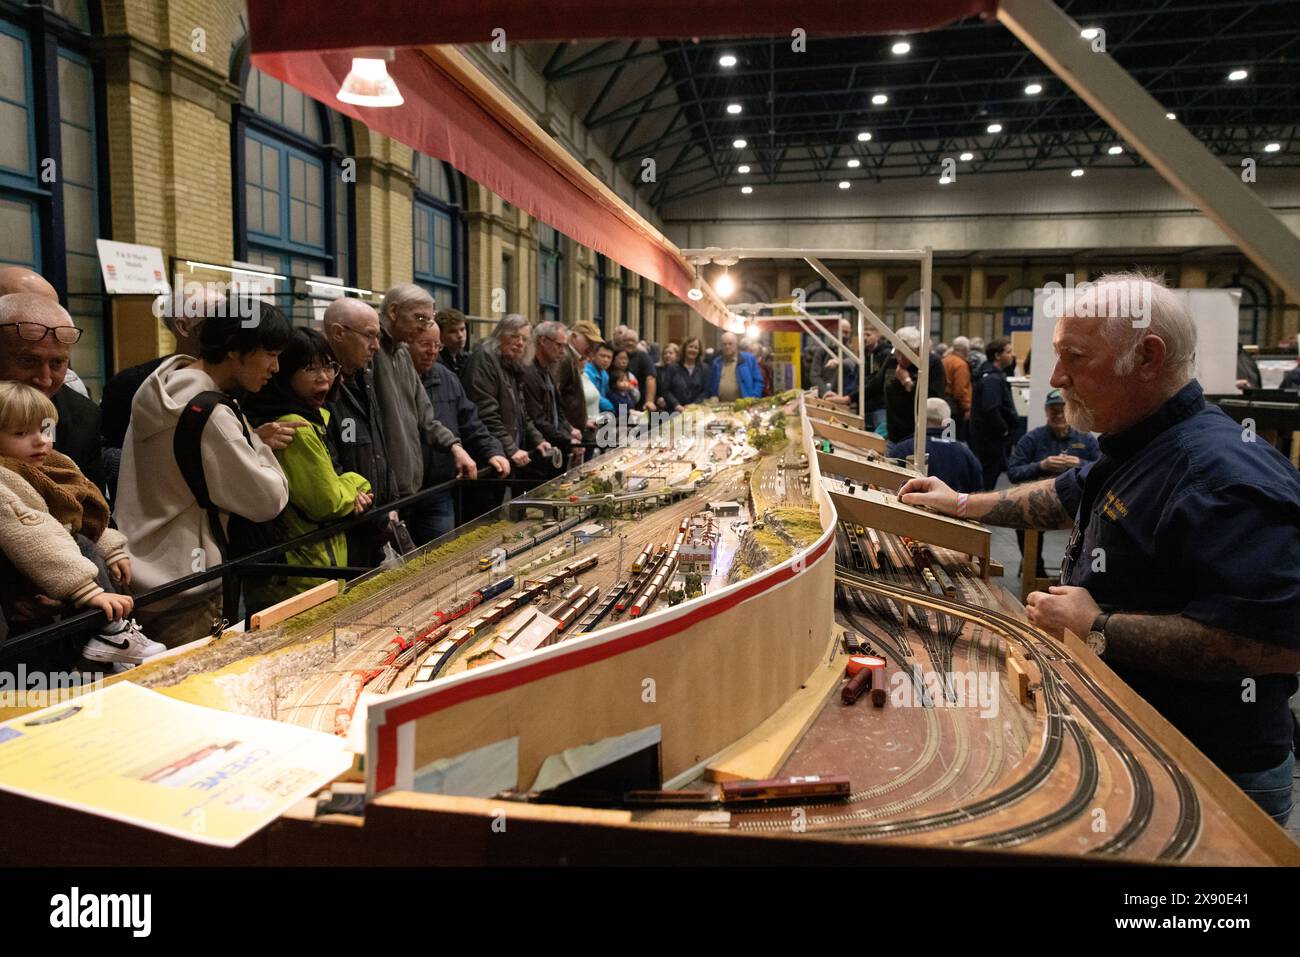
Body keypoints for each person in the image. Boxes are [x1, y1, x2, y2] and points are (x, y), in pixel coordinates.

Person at [898, 272, 1300, 824]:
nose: (1057, 376)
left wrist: (1099, 624)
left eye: (1074, 357)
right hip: (1146, 744)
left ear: (1148, 357)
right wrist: (962, 504)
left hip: (1211, 773)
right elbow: (1066, 495)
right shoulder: (1141, 441)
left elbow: (1274, 645)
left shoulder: (1219, 477)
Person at [113, 299, 293, 648]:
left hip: (143, 579)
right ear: (232, 348)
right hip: (189, 591)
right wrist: (256, 441)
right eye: (269, 353)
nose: (275, 367)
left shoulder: (160, 390)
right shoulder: (212, 411)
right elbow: (269, 499)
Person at [0, 381, 166, 669]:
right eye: (21, 433)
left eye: (45, 429)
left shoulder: (54, 464)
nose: (40, 440)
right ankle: (111, 633)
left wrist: (111, 549)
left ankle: (112, 636)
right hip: (32, 594)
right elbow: (31, 535)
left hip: (62, 585)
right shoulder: (5, 478)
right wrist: (87, 591)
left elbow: (80, 514)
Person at [241, 328, 374, 611]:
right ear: (284, 372)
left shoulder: (315, 417)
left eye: (328, 366)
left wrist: (343, 487)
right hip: (301, 572)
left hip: (307, 567)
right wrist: (357, 483)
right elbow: (326, 501)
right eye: (310, 368)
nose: (324, 377)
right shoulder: (294, 426)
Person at [376, 285, 476, 544]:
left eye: (429, 319)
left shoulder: (401, 353)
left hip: (411, 488)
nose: (424, 325)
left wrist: (455, 447)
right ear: (394, 311)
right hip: (383, 494)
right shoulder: (373, 353)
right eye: (420, 318)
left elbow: (425, 416)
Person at [100, 289, 216, 501]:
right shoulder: (131, 384)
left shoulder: (237, 382)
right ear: (184, 326)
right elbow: (109, 454)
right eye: (220, 318)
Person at [409, 323, 510, 533]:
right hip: (402, 496)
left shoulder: (446, 377)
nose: (432, 352)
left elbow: (470, 422)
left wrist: (492, 451)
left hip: (438, 488)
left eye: (437, 346)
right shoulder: (393, 380)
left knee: (441, 557)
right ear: (406, 343)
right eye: (425, 344)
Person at [0, 294, 104, 490]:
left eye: (57, 363)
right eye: (28, 361)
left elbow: (95, 506)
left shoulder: (82, 417)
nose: (45, 379)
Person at [323, 299, 398, 564]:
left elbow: (377, 442)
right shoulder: (321, 387)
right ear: (338, 333)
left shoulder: (363, 378)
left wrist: (390, 500)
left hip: (375, 519)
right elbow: (329, 459)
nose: (376, 346)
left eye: (377, 336)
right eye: (369, 336)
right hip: (346, 529)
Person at [1007, 388, 1101, 578]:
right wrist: (1041, 465)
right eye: (1053, 411)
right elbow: (1013, 472)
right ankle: (1036, 571)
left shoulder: (1085, 438)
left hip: (1079, 504)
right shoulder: (1033, 438)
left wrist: (1080, 464)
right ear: (1046, 412)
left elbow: (1105, 469)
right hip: (1042, 501)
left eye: (1062, 410)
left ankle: (1079, 574)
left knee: (1100, 526)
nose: (1058, 415)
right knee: (1021, 519)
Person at [462, 314, 553, 492]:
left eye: (524, 339)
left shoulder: (511, 364)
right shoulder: (485, 359)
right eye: (514, 336)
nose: (520, 343)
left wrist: (538, 440)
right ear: (500, 335)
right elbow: (486, 413)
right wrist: (511, 449)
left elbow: (521, 413)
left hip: (503, 456)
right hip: (486, 457)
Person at [519, 320, 583, 479]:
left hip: (552, 449)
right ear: (542, 341)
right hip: (536, 453)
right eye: (559, 345)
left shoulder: (547, 370)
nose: (562, 351)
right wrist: (568, 440)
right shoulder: (529, 372)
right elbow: (537, 419)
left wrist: (569, 431)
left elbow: (557, 410)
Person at [886, 398, 982, 493]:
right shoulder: (968, 456)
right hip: (953, 507)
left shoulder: (902, 450)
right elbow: (977, 496)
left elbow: (887, 488)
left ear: (918, 419)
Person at [969, 338, 1019, 490]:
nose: (1012, 355)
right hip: (991, 440)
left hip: (987, 439)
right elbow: (991, 409)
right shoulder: (992, 379)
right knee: (987, 478)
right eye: (1009, 352)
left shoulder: (989, 375)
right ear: (998, 355)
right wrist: (1003, 430)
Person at [882, 326, 946, 444]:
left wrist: (907, 382)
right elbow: (878, 384)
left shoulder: (932, 364)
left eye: (906, 353)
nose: (900, 358)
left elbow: (933, 399)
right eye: (897, 352)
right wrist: (848, 398)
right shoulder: (892, 361)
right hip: (894, 434)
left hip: (918, 437)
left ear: (918, 351)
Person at [612, 325, 657, 412]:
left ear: (637, 343)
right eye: (626, 340)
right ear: (621, 342)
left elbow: (650, 377)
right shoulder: (615, 353)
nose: (630, 343)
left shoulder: (643, 356)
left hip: (638, 404)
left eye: (632, 341)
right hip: (617, 401)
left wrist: (649, 401)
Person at [658, 336, 709, 412]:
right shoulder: (672, 368)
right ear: (685, 348)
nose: (693, 350)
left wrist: (693, 406)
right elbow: (666, 390)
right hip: (673, 411)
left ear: (699, 351)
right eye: (690, 346)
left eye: (696, 348)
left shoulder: (704, 369)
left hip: (696, 411)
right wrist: (676, 405)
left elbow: (706, 391)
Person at [709, 332, 763, 401]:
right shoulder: (716, 363)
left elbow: (758, 381)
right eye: (724, 344)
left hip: (744, 406)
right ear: (721, 346)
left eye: (730, 344)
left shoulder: (749, 359)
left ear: (736, 345)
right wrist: (714, 395)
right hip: (721, 407)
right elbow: (712, 384)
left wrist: (755, 396)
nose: (727, 347)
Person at [942, 336, 974, 441]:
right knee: (956, 440)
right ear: (966, 350)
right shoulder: (961, 365)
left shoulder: (945, 360)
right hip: (956, 408)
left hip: (944, 404)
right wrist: (967, 408)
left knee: (946, 438)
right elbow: (960, 391)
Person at [435, 308, 471, 379]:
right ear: (440, 334)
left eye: (462, 329)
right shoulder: (435, 360)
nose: (460, 335)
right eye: (453, 331)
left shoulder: (466, 358)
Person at [584, 341, 614, 416]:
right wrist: (612, 407)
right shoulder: (586, 372)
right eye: (602, 356)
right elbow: (595, 397)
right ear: (593, 356)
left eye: (609, 357)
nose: (606, 360)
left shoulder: (605, 374)